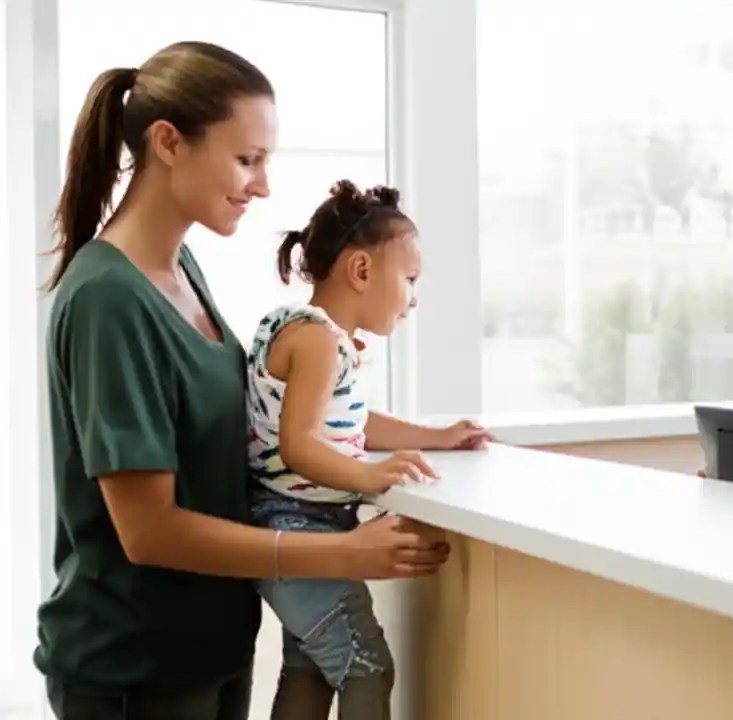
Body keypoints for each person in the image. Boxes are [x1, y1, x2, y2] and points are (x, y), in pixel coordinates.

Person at [37, 41, 449, 720]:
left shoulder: (182, 272)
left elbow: (273, 418)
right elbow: (149, 532)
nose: (262, 186)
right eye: (247, 159)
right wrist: (339, 554)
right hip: (137, 671)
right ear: (168, 143)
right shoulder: (109, 299)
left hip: (214, 650)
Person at [249, 179, 492, 718]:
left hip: (296, 523)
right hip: (297, 524)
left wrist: (437, 437)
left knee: (309, 667)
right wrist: (373, 477)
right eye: (410, 279)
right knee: (367, 666)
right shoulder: (318, 340)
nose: (414, 298)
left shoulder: (305, 330)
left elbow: (349, 422)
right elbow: (299, 445)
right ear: (361, 270)